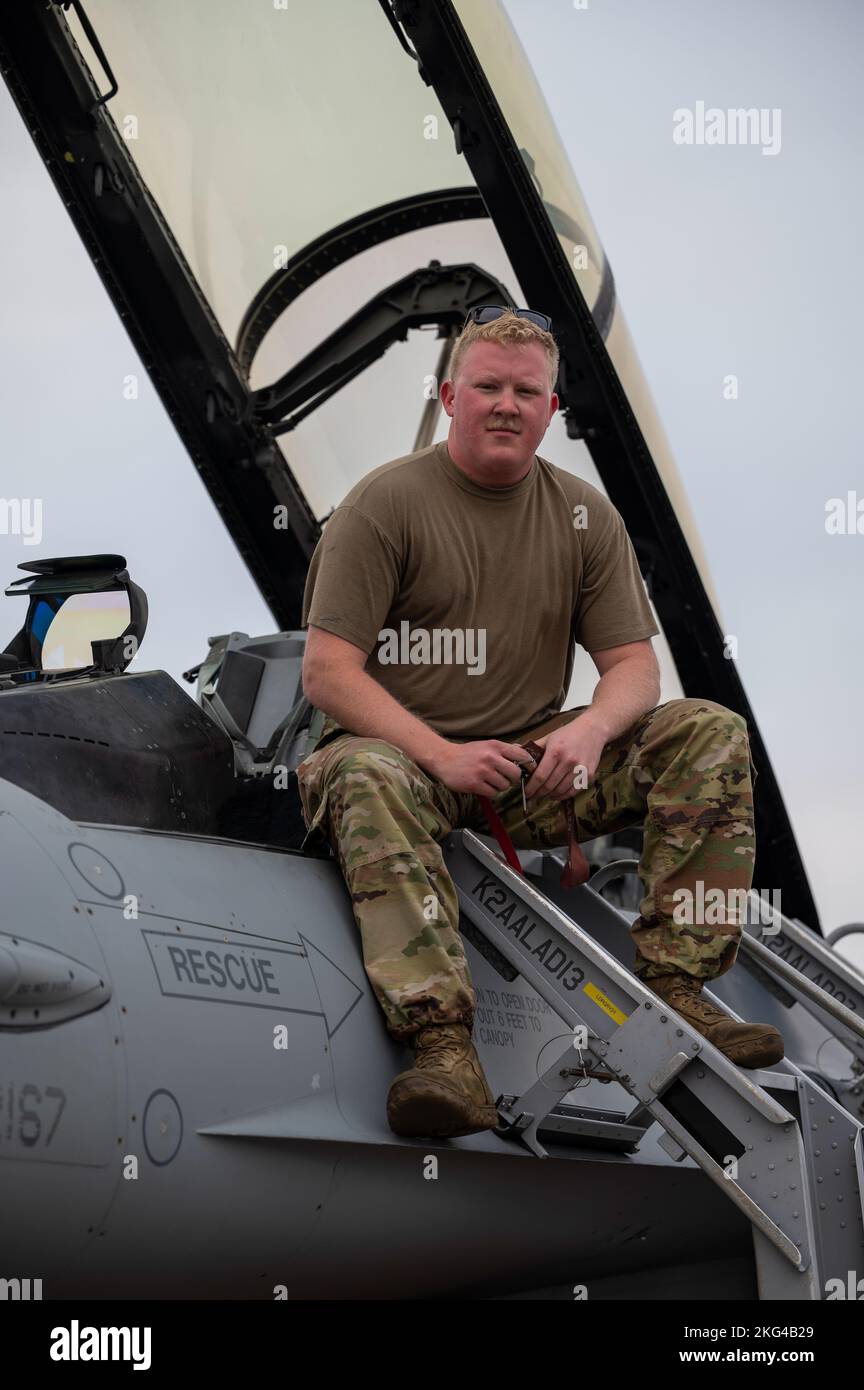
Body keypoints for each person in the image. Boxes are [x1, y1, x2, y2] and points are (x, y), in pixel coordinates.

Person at [296, 306, 783, 1140]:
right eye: (487, 386)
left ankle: (679, 989)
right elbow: (327, 672)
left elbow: (633, 666)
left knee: (708, 729)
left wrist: (588, 731)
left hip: (524, 767)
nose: (506, 405)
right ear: (451, 396)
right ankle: (444, 1051)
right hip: (401, 760)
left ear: (551, 411)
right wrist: (440, 755)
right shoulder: (383, 505)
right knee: (368, 772)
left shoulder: (585, 518)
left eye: (527, 392)